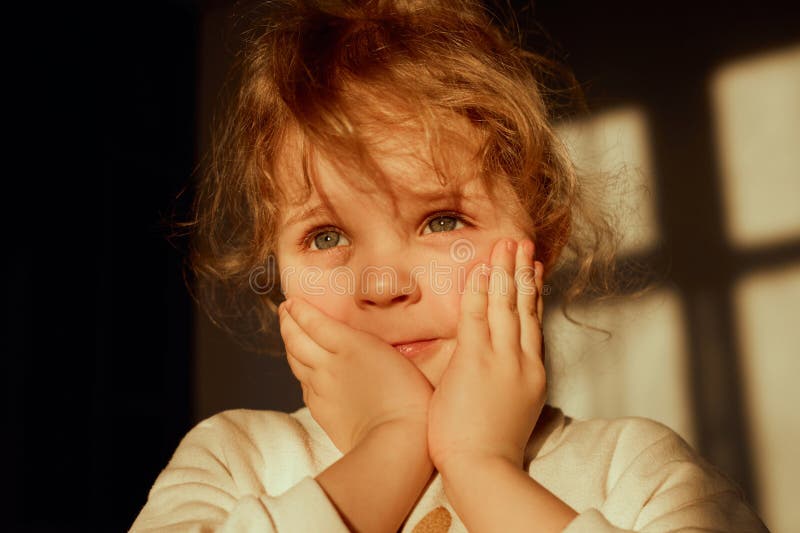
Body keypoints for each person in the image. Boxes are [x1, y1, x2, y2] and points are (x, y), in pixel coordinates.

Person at [131, 1, 769, 531]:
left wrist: (481, 465)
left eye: (441, 221)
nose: (382, 285)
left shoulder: (641, 471)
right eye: (325, 236)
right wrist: (392, 439)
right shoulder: (231, 461)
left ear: (542, 238)